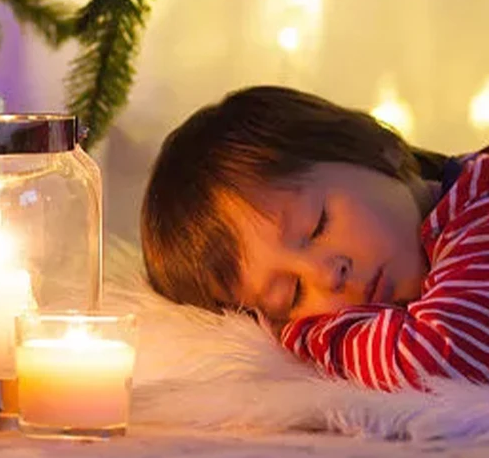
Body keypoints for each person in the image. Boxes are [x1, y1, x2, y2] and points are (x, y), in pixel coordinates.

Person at [140, 85, 489, 391]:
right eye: (291, 296)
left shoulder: (478, 202)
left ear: (378, 149)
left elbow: (438, 361)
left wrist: (307, 337)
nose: (327, 275)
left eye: (317, 225)